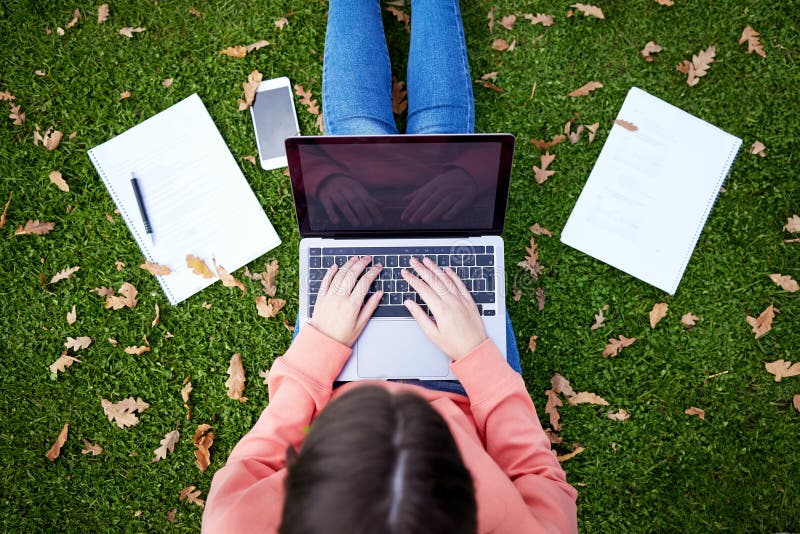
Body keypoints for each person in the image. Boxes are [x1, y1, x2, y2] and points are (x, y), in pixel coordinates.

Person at [202, 0, 578, 532]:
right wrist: (475, 352)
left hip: (334, 372)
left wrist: (321, 346)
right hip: (466, 384)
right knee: (442, 134)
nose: (397, 394)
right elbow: (536, 472)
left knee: (356, 135)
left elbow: (259, 455)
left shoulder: (237, 525)